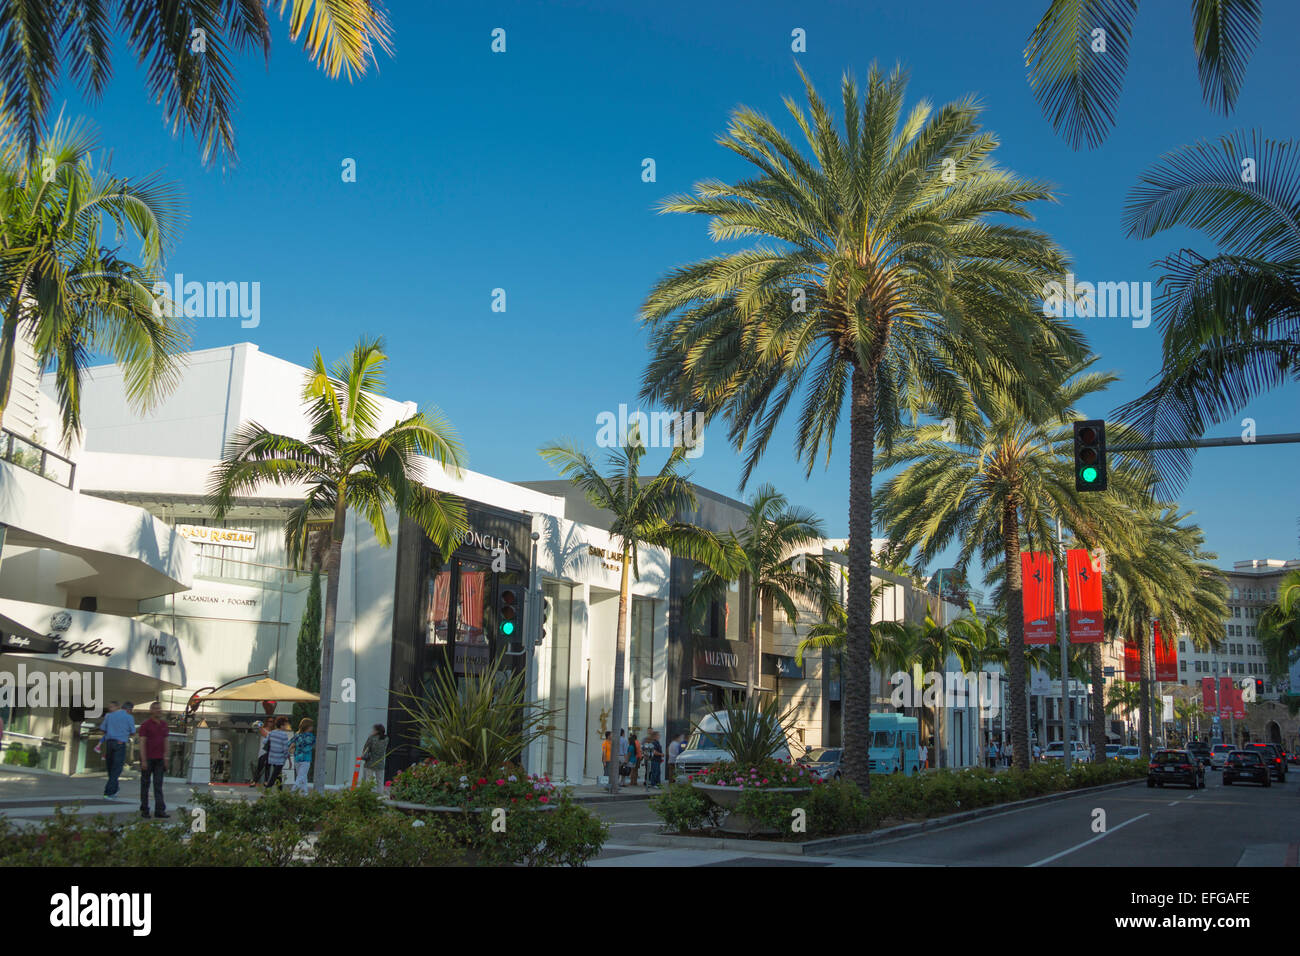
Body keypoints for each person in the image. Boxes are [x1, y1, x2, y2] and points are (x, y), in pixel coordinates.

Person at [137, 703, 170, 818]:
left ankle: (159, 810)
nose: (158, 711)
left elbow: (166, 741)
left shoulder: (164, 725)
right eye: (155, 709)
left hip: (160, 759)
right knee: (145, 784)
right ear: (151, 710)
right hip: (148, 759)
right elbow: (142, 742)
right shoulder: (145, 725)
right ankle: (145, 809)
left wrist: (166, 757)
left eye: (159, 709)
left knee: (158, 785)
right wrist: (144, 760)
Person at [99, 700, 136, 801]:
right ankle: (109, 792)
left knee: (110, 767)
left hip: (109, 743)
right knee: (116, 768)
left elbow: (102, 729)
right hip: (120, 744)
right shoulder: (129, 717)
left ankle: (114, 787)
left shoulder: (109, 716)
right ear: (130, 710)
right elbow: (133, 732)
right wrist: (125, 733)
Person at [265, 717, 291, 789]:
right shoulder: (284, 735)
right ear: (282, 725)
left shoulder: (271, 733)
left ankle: (280, 792)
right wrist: (287, 757)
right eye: (285, 725)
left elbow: (265, 741)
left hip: (272, 757)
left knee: (278, 775)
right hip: (280, 759)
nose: (286, 726)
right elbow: (285, 749)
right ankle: (267, 790)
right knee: (274, 775)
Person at [290, 718, 315, 793]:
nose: (312, 727)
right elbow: (312, 745)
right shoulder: (310, 736)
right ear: (308, 727)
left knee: (303, 777)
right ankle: (292, 792)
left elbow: (290, 743)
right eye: (311, 726)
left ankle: (305, 794)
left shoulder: (297, 735)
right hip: (306, 759)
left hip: (297, 758)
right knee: (301, 777)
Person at [360, 724, 388, 791]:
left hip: (370, 762)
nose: (372, 731)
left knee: (368, 781)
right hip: (380, 763)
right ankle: (380, 796)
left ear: (377, 731)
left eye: (373, 729)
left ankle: (367, 795)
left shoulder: (371, 738)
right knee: (380, 782)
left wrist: (370, 736)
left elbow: (365, 749)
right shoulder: (386, 739)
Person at [252, 720, 271, 786]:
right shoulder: (263, 731)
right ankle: (254, 781)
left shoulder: (270, 732)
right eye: (269, 721)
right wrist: (259, 726)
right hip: (262, 752)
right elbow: (264, 734)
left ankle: (266, 781)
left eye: (271, 722)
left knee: (267, 767)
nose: (270, 723)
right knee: (259, 767)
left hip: (269, 752)